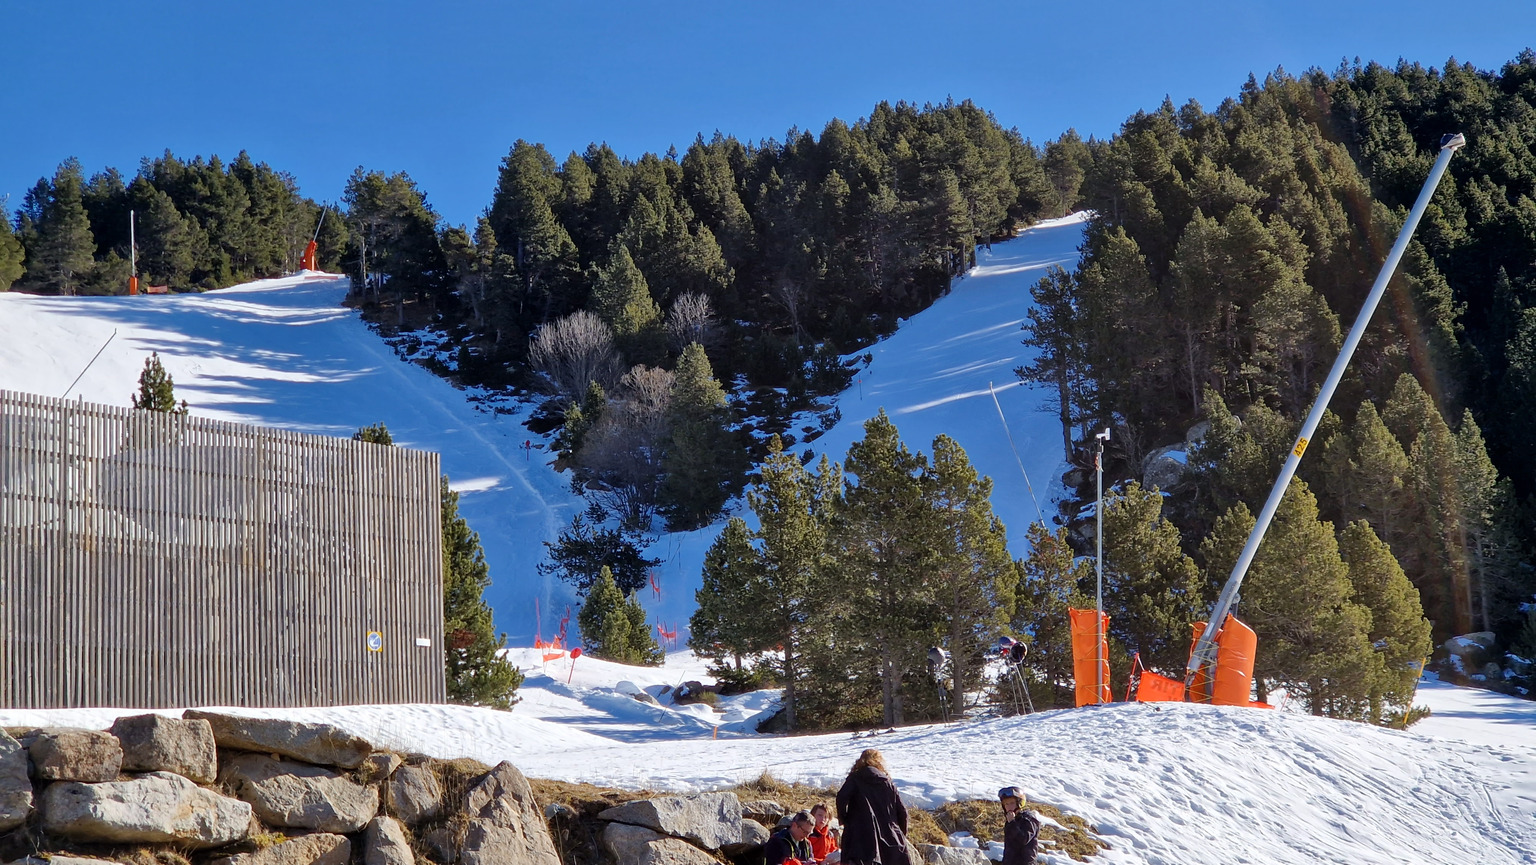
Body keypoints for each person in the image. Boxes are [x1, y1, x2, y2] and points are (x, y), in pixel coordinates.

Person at [836, 748, 910, 865]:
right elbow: (902, 812)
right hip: (889, 838)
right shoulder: (887, 783)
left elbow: (841, 797)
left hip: (860, 837)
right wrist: (900, 834)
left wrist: (845, 819)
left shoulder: (855, 779)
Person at [997, 786, 1040, 865]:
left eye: (1012, 803)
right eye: (1006, 804)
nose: (1009, 806)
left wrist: (1012, 823)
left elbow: (1023, 840)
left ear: (1020, 803)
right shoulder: (1011, 820)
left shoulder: (1029, 819)